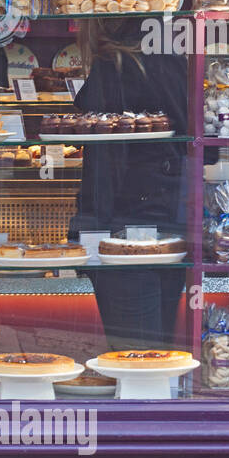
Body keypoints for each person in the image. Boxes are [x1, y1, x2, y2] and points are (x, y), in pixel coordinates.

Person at [70, 17, 189, 349]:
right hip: (168, 224)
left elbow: (105, 165)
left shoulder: (116, 65)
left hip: (122, 229)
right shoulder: (171, 58)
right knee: (155, 354)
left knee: (135, 359)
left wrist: (87, 227)